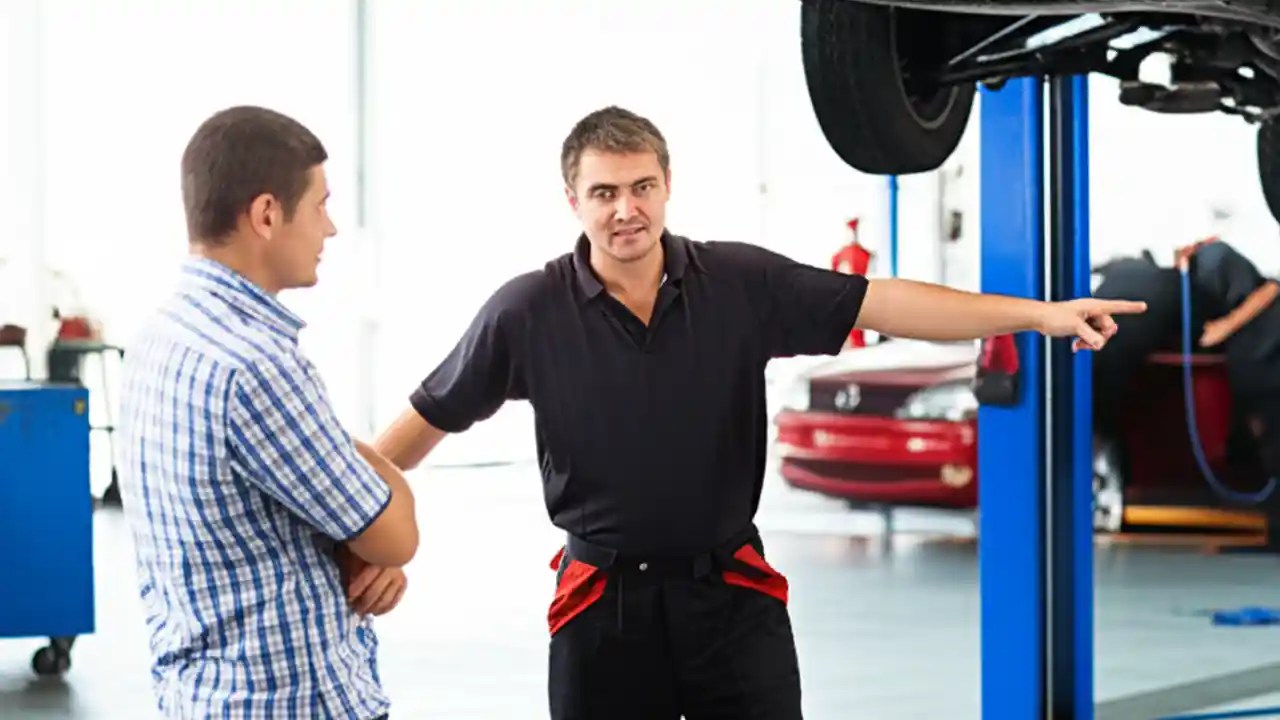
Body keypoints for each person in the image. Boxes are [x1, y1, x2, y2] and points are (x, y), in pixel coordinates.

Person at [371, 106, 1145, 719]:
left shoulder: (737, 282)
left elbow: (888, 302)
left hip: (732, 602)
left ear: (668, 185)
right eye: (604, 192)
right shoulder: (526, 311)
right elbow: (422, 420)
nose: (625, 210)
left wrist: (1036, 316)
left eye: (641, 186)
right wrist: (355, 535)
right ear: (572, 199)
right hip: (602, 610)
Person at [116, 105, 418, 719]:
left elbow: (256, 513)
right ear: (267, 214)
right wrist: (385, 496)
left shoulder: (161, 335)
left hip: (202, 696)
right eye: (319, 205)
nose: (329, 229)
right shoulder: (257, 365)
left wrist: (358, 536)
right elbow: (396, 534)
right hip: (288, 701)